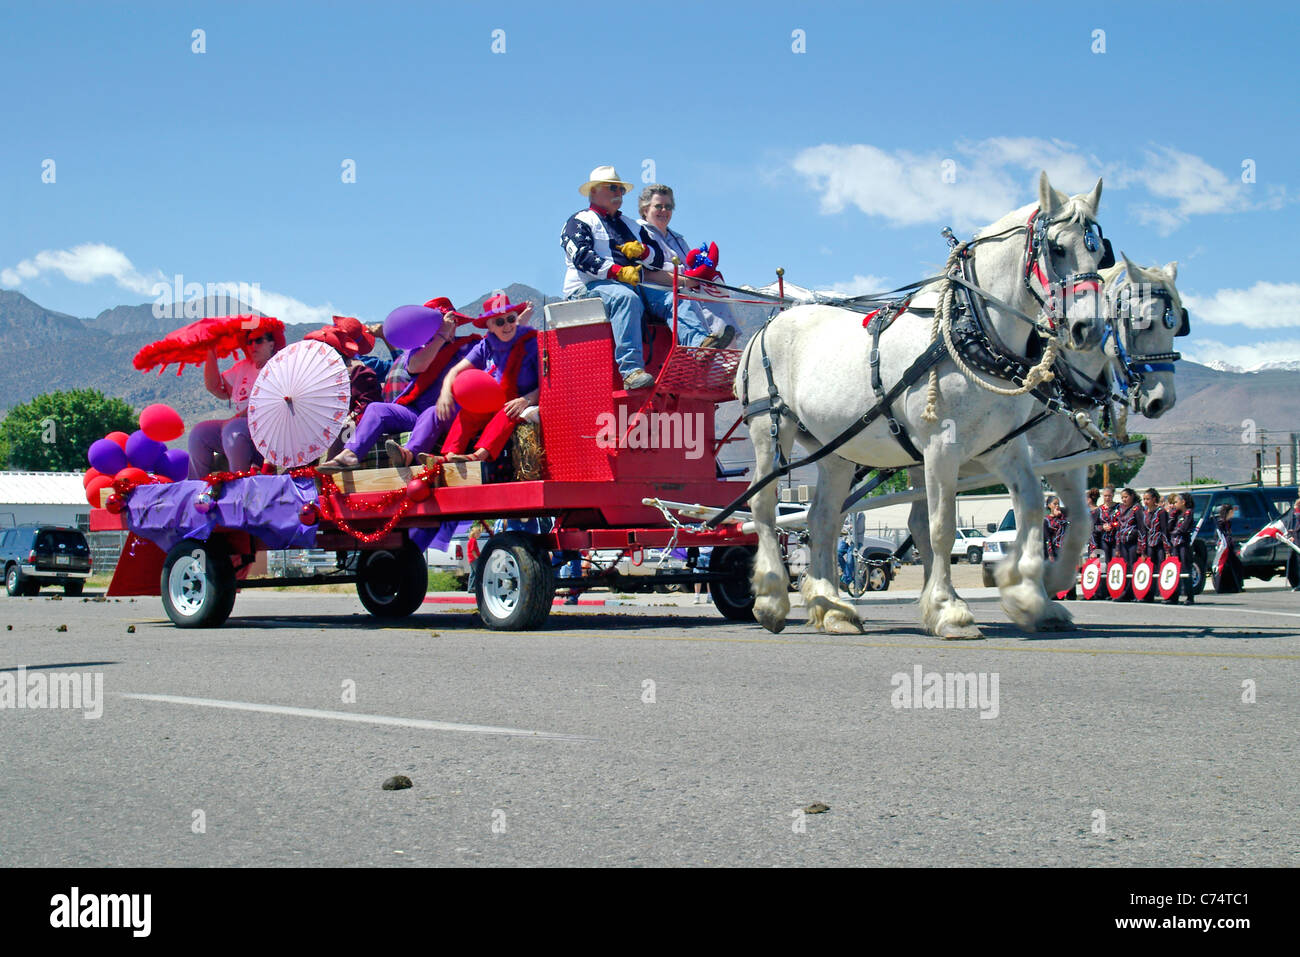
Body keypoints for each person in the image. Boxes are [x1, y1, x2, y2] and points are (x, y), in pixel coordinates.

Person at [561, 165, 713, 390]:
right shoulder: (579, 220)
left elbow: (659, 256)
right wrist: (617, 272)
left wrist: (643, 252)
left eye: (621, 190)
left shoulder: (631, 225)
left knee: (672, 297)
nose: (619, 194)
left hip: (632, 284)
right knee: (625, 298)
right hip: (587, 287)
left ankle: (698, 346)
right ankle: (631, 370)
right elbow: (581, 256)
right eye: (613, 188)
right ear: (594, 192)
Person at [318, 303, 477, 473]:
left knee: (432, 411)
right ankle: (350, 455)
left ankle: (408, 454)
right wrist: (441, 336)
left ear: (454, 323)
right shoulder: (418, 349)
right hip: (415, 412)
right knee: (376, 409)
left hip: (447, 411)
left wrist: (445, 335)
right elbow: (417, 367)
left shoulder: (468, 346)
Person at [438, 295, 540, 466]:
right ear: (490, 326)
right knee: (468, 413)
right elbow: (455, 371)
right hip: (492, 400)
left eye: (510, 319)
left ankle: (479, 456)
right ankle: (450, 456)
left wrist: (526, 399)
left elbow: (548, 382)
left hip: (522, 401)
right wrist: (445, 393)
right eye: (500, 322)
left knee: (508, 412)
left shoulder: (532, 344)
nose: (507, 325)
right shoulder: (485, 346)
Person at [635, 184, 737, 349]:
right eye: (658, 206)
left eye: (668, 207)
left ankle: (727, 349)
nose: (664, 210)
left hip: (685, 285)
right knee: (681, 300)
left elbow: (691, 266)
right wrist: (685, 282)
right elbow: (646, 273)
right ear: (645, 209)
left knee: (715, 296)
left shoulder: (677, 239)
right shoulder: (638, 233)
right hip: (655, 290)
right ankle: (699, 346)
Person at [187, 320, 283, 477]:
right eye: (249, 342)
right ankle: (199, 487)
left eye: (258, 340)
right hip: (239, 427)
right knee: (199, 433)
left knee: (234, 429)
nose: (253, 346)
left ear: (271, 344)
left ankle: (237, 483)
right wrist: (211, 351)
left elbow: (261, 404)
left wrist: (234, 419)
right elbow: (215, 388)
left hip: (266, 432)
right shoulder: (243, 367)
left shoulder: (278, 368)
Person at [1114, 487, 1144, 601]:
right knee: (1126, 567)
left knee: (1133, 567)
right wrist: (1117, 546)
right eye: (1122, 497)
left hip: (1134, 542)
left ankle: (1133, 592)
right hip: (1123, 542)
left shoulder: (1137, 509)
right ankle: (1126, 592)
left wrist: (1141, 546)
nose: (1124, 499)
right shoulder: (1121, 509)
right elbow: (1119, 527)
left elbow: (1142, 528)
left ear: (1132, 496)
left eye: (1126, 497)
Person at [1139, 487, 1167, 603]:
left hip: (1160, 544)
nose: (1145, 501)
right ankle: (1149, 595)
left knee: (1161, 568)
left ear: (1154, 499)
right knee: (1149, 569)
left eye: (1148, 499)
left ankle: (1165, 594)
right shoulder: (1144, 513)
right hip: (1149, 545)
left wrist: (1167, 550)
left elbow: (1165, 531)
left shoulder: (1161, 512)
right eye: (1144, 499)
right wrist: (1143, 551)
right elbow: (1143, 532)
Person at [1167, 493, 1196, 605]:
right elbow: (1169, 527)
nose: (1174, 505)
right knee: (1175, 570)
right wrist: (1172, 516)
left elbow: (1183, 528)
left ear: (1183, 502)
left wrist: (1173, 532)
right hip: (1175, 544)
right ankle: (1174, 596)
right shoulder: (1177, 514)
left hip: (1183, 544)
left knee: (1185, 569)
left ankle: (1189, 596)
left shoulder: (1188, 513)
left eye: (1176, 502)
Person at [1213, 503, 1246, 594]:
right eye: (1232, 512)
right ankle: (1227, 587)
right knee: (1230, 567)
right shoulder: (1221, 523)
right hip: (1224, 549)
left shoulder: (1228, 523)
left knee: (1237, 566)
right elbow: (1219, 536)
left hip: (1229, 548)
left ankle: (1237, 586)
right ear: (1230, 512)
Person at [1285, 498, 1300, 591]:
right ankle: (1296, 583)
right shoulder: (1295, 516)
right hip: (1296, 543)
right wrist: (1292, 534)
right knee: (1293, 563)